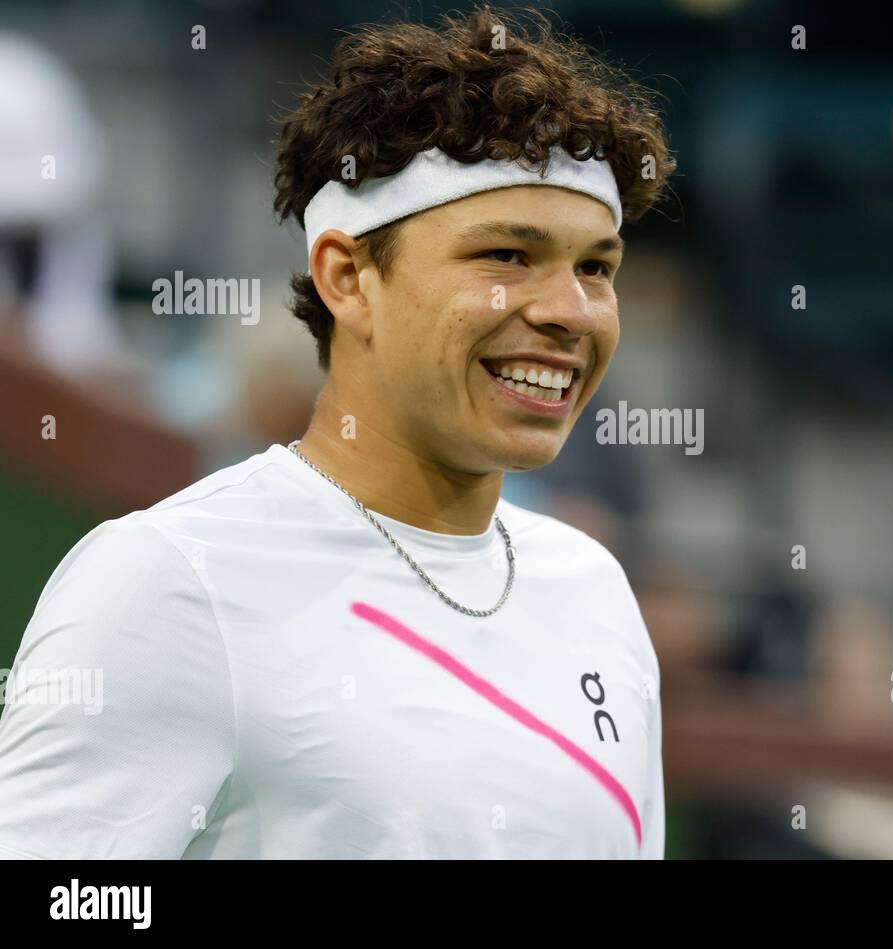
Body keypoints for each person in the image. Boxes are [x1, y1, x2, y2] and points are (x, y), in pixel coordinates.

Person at [0, 6, 676, 859]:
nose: (569, 312)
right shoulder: (169, 580)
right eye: (507, 255)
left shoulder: (595, 590)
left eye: (595, 268)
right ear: (348, 278)